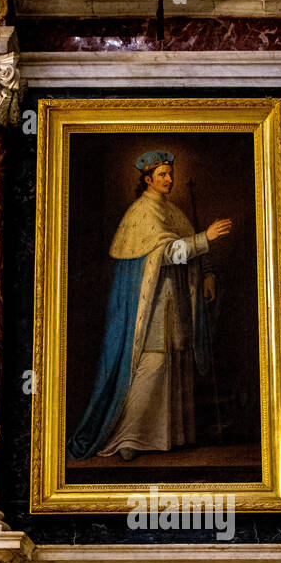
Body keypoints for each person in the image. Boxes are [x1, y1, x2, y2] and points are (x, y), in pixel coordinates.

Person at [67, 150, 232, 461]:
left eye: (170, 174)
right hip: (152, 305)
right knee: (152, 367)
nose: (169, 180)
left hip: (177, 302)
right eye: (162, 175)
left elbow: (187, 246)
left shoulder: (172, 210)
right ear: (147, 180)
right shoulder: (141, 213)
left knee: (176, 365)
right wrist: (205, 238)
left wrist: (208, 273)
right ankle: (128, 436)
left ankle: (168, 437)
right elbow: (169, 253)